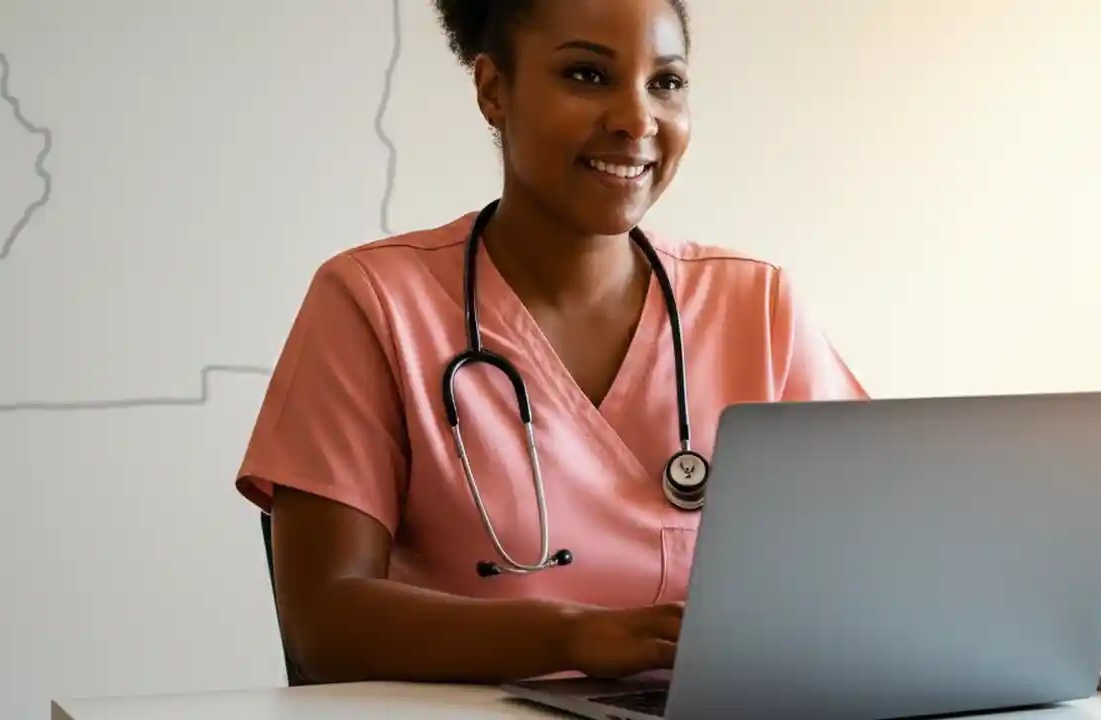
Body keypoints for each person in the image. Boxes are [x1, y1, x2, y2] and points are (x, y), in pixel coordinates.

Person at [235, 0, 867, 686]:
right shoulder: (374, 300)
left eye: (666, 82)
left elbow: (876, 557)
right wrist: (574, 636)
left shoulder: (757, 304)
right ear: (493, 90)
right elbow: (324, 620)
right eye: (588, 75)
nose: (636, 120)